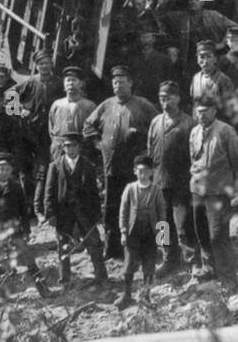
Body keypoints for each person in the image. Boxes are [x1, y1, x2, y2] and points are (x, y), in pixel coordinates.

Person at [83, 65, 156, 260]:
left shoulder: (142, 104)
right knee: (112, 208)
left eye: (122, 82)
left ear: (130, 84)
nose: (118, 86)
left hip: (135, 169)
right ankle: (112, 248)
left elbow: (157, 127)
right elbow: (88, 125)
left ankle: (141, 248)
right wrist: (99, 144)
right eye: (115, 83)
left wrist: (146, 147)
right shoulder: (106, 105)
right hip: (112, 167)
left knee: (139, 207)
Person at [189, 94, 238, 292]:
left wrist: (234, 188)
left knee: (218, 236)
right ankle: (209, 271)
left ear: (214, 111)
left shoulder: (225, 131)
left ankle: (229, 280)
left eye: (205, 112)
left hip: (219, 192)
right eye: (198, 112)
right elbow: (194, 160)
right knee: (201, 233)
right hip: (198, 190)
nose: (201, 115)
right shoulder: (194, 132)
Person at [43, 130, 109, 289]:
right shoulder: (55, 166)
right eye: (67, 146)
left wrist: (97, 215)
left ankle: (101, 277)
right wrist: (50, 213)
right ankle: (64, 280)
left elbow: (94, 192)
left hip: (84, 212)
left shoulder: (88, 166)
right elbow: (49, 191)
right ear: (63, 148)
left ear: (79, 147)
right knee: (62, 246)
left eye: (73, 146)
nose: (70, 149)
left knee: (94, 242)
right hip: (63, 212)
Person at [0, 152, 48, 297]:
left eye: (7, 169)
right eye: (1, 168)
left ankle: (43, 290)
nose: (4, 172)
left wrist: (26, 231)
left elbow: (23, 211)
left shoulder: (16, 188)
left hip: (15, 232)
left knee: (29, 261)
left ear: (11, 171)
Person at [146, 81, 196, 275]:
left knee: (183, 225)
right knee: (162, 226)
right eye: (162, 98)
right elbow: (150, 152)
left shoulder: (188, 123)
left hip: (181, 183)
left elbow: (195, 153)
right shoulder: (155, 122)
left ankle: (191, 263)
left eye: (169, 98)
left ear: (178, 99)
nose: (165, 102)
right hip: (159, 183)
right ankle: (169, 260)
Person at [117, 155, 168, 309]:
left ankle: (146, 296)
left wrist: (161, 239)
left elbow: (162, 213)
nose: (143, 175)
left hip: (150, 234)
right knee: (128, 265)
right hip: (133, 233)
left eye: (146, 172)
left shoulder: (156, 190)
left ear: (152, 172)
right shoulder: (130, 189)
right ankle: (126, 295)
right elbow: (123, 212)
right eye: (140, 172)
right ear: (135, 172)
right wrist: (123, 232)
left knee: (149, 266)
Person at [15, 50, 62, 199]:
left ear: (52, 65)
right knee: (25, 167)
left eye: (47, 63)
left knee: (44, 167)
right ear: (36, 66)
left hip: (47, 133)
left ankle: (40, 200)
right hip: (28, 131)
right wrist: (19, 110)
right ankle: (27, 201)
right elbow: (8, 96)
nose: (45, 66)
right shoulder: (30, 82)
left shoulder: (59, 83)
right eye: (41, 64)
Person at [159, 0, 238, 75]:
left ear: (203, 2)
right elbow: (160, 13)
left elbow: (235, 27)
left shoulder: (213, 15)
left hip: (212, 57)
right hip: (189, 60)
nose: (193, 2)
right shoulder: (180, 16)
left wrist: (222, 44)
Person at [128, 18, 172, 110]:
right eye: (143, 37)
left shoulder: (163, 59)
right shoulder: (134, 58)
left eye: (148, 37)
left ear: (153, 39)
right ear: (139, 39)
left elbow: (168, 82)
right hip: (137, 100)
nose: (146, 41)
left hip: (156, 101)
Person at [190, 39, 236, 115]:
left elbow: (230, 109)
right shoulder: (195, 79)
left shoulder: (223, 80)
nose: (205, 61)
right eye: (201, 57)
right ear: (197, 59)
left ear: (215, 59)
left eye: (209, 56)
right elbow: (194, 105)